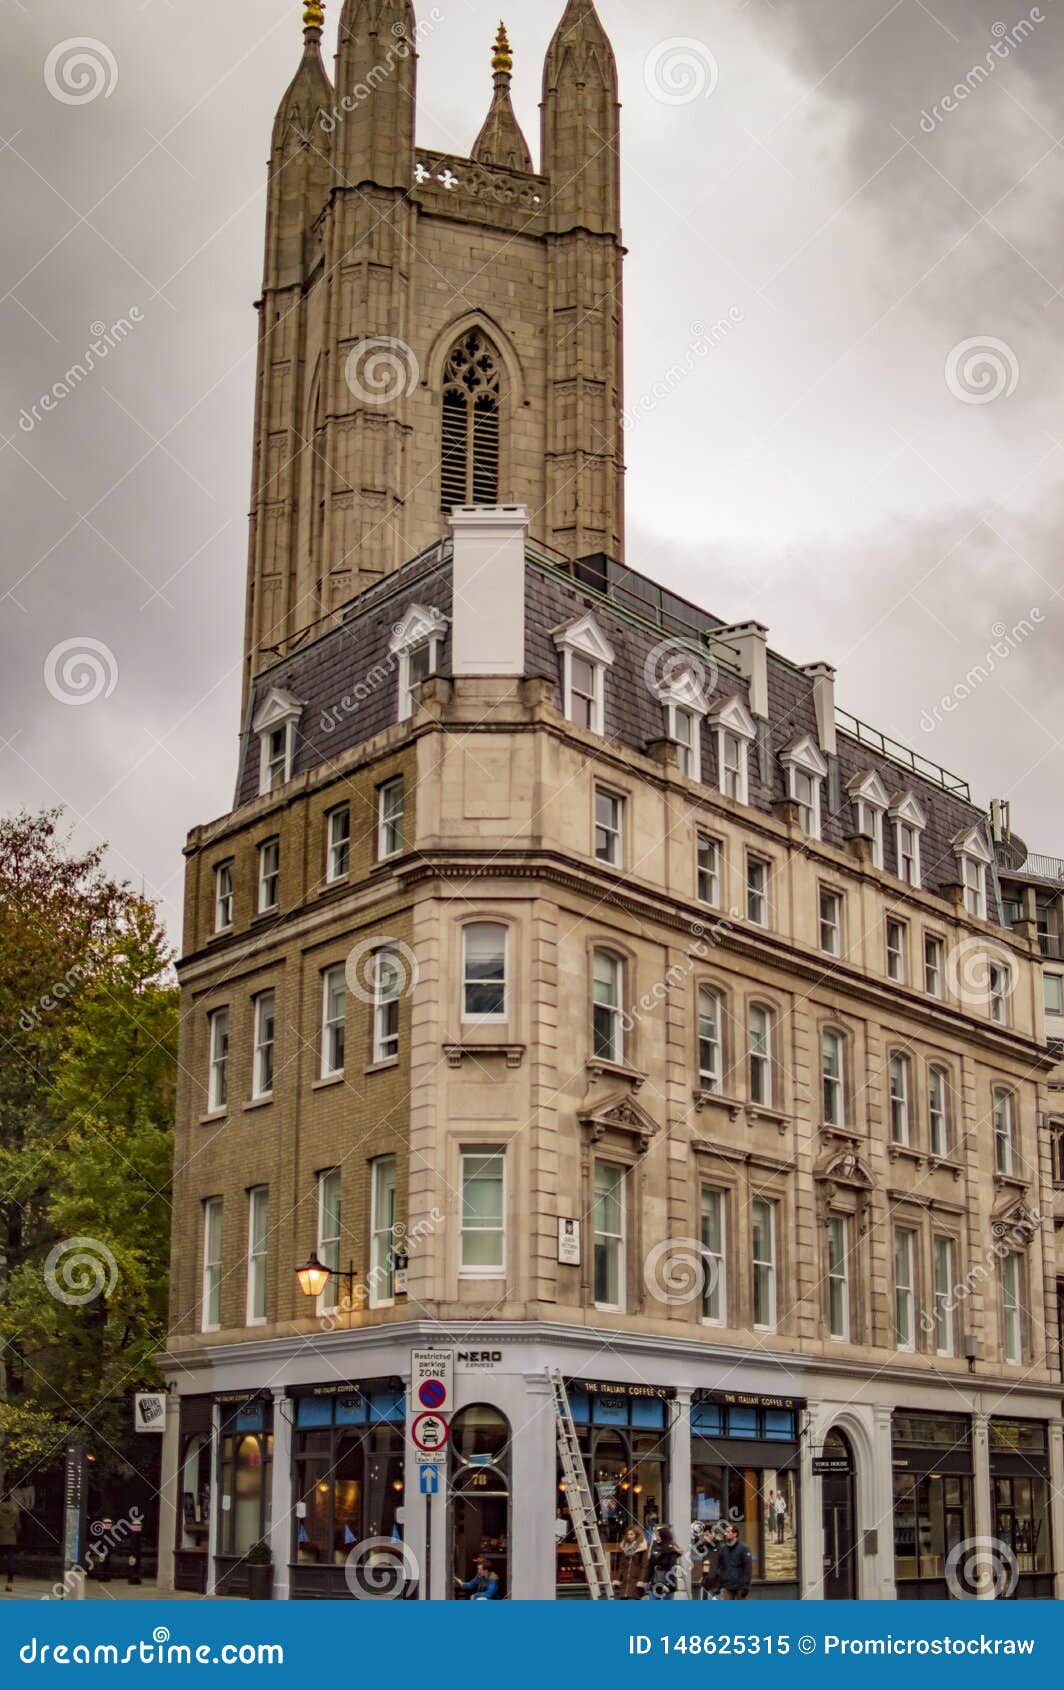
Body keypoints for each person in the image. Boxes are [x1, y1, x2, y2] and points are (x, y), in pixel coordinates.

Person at [644, 1525, 680, 1601]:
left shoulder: (671, 1550)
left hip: (667, 1582)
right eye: (656, 1535)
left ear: (664, 1536)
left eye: (658, 1535)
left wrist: (668, 1584)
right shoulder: (655, 1548)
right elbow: (650, 1566)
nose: (656, 1537)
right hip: (655, 1581)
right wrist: (646, 1580)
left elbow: (673, 1569)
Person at [717, 1523, 752, 1600]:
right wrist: (719, 1584)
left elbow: (748, 1568)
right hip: (727, 1585)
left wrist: (746, 1586)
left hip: (740, 1586)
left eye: (728, 1532)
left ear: (735, 1534)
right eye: (725, 1532)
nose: (726, 1534)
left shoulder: (743, 1548)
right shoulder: (723, 1549)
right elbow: (720, 1567)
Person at [616, 1525, 648, 1600]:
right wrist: (617, 1578)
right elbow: (622, 1565)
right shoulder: (625, 1547)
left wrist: (641, 1580)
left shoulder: (642, 1548)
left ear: (636, 1535)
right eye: (628, 1534)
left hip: (636, 1580)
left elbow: (644, 1566)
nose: (629, 1536)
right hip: (625, 1580)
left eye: (631, 1534)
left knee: (635, 1598)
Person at [0, 1495, 19, 1593]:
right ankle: (9, 1585)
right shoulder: (15, 1510)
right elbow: (18, 1527)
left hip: (1, 1537)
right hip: (11, 1538)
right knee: (10, 1561)